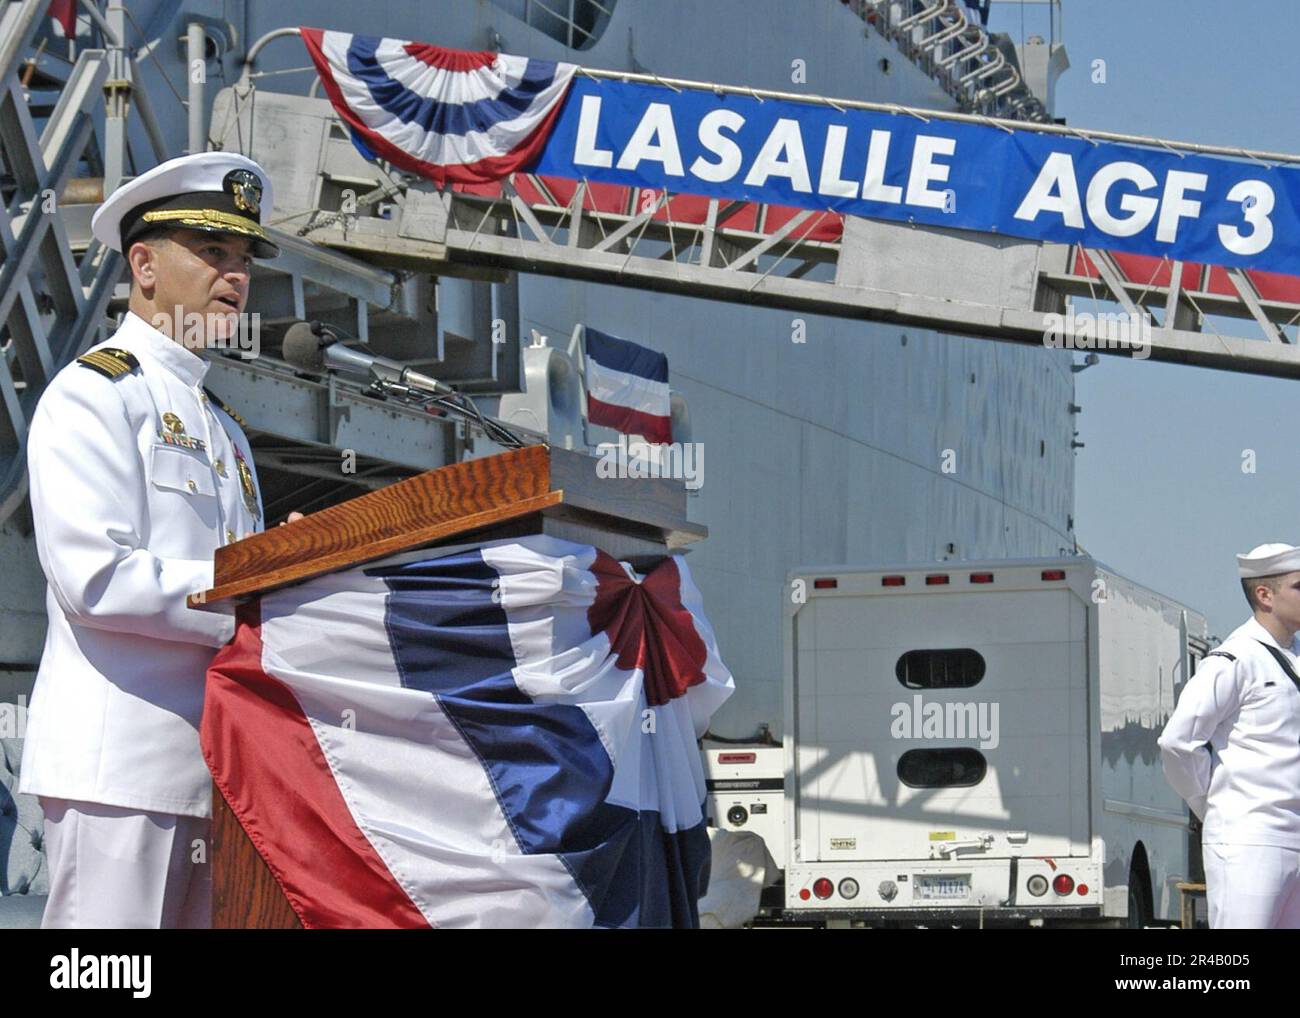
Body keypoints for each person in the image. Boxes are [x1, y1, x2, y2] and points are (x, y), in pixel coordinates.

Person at [19, 151, 300, 928]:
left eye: (243, 260)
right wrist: (255, 588)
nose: (235, 277)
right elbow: (95, 577)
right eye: (213, 253)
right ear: (143, 264)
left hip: (217, 771)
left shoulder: (227, 432)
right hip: (119, 768)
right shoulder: (92, 395)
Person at [1158, 542, 1300, 929]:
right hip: (1250, 837)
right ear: (1264, 595)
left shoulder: (1294, 657)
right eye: (1299, 586)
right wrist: (1208, 802)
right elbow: (1177, 742)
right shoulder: (1234, 660)